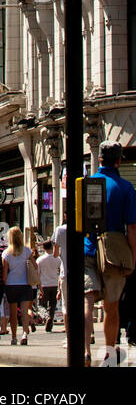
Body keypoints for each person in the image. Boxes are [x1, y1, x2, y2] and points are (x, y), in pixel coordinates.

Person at [88, 140, 136, 364]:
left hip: (87, 249)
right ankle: (108, 351)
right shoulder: (126, 188)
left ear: (99, 160)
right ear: (119, 161)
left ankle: (84, 350)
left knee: (86, 301)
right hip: (113, 252)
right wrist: (133, 256)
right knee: (112, 305)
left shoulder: (86, 184)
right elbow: (133, 227)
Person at [1, 226, 35, 346]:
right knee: (25, 312)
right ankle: (25, 334)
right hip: (25, 284)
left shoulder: (6, 253)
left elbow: (4, 274)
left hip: (11, 285)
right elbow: (34, 266)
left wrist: (3, 284)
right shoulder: (27, 251)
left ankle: (14, 337)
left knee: (13, 313)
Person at [37, 241, 61, 331]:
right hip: (54, 284)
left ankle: (46, 317)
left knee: (40, 305)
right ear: (51, 247)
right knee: (53, 304)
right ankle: (50, 320)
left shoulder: (40, 260)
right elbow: (60, 271)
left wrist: (39, 286)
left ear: (43, 248)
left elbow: (38, 274)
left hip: (44, 284)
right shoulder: (57, 259)